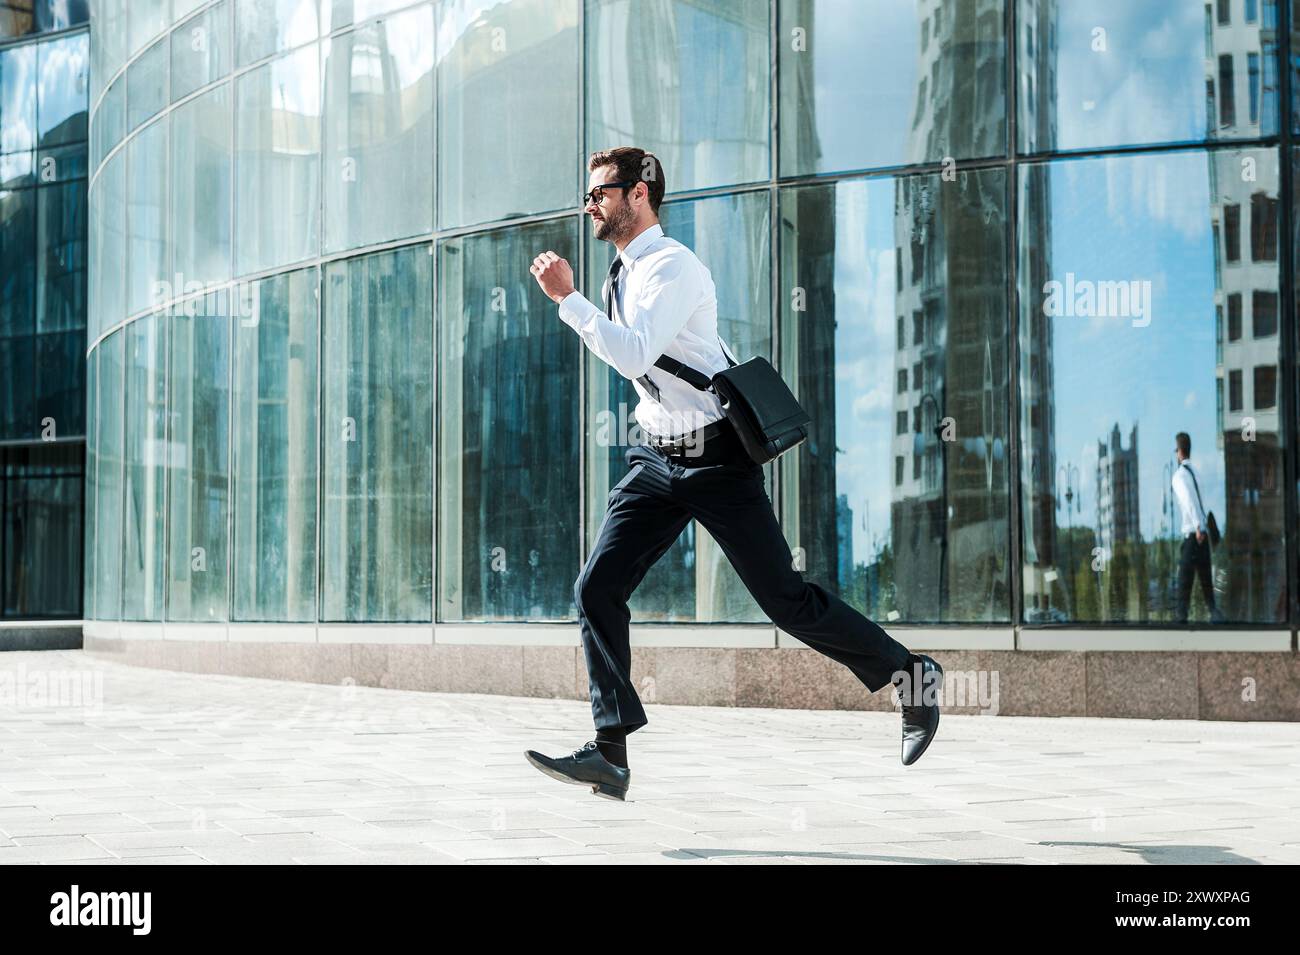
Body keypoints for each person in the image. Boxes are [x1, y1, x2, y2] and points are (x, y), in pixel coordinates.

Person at [525, 146, 941, 801]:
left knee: (786, 601)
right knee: (596, 587)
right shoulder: (620, 272)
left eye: (602, 191)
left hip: (718, 459)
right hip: (657, 458)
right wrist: (586, 298)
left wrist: (568, 300)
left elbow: (634, 352)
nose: (590, 203)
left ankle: (914, 679)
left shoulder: (674, 266)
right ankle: (610, 751)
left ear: (640, 195)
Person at [1171, 432, 1224, 624]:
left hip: (1194, 534)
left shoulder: (1179, 476)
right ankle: (1215, 615)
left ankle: (1180, 621)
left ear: (1179, 451)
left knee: (1184, 580)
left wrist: (1198, 526)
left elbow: (1188, 501)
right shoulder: (1197, 473)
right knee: (1206, 582)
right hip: (1203, 534)